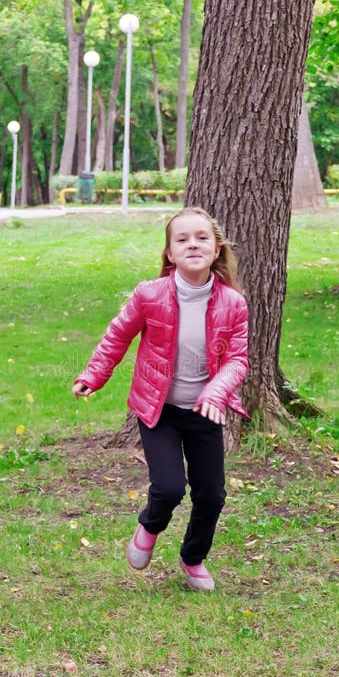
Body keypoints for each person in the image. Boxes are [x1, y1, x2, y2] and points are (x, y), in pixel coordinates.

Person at [72, 207, 249, 591]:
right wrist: (93, 376)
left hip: (206, 410)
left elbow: (238, 359)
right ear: (169, 253)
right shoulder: (149, 294)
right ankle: (148, 527)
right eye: (182, 240)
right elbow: (117, 335)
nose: (193, 245)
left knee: (211, 495)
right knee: (169, 487)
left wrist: (216, 392)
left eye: (202, 238)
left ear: (217, 248)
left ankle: (193, 560)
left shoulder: (233, 303)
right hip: (159, 410)